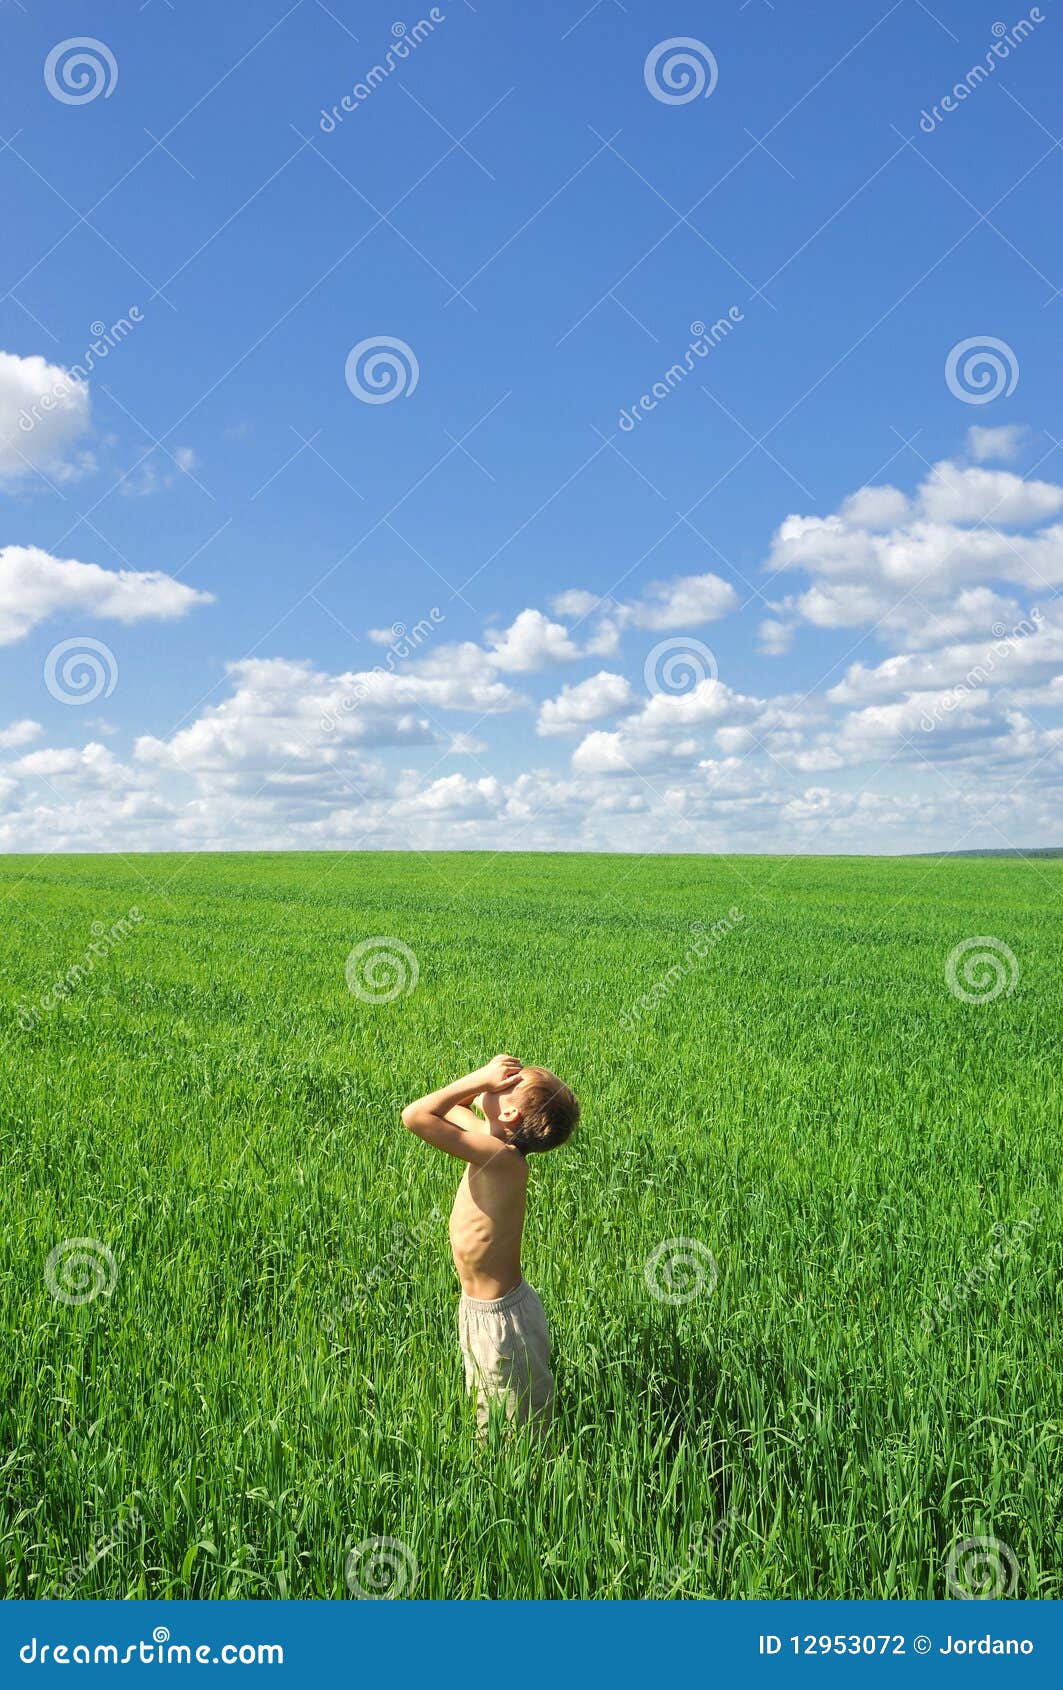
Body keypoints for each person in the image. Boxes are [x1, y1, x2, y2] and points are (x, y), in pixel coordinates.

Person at [401, 1054, 579, 1431]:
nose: (498, 1081)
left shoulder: (501, 1158)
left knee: (514, 1428)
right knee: (492, 1411)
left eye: (508, 1084)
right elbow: (451, 1111)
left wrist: (479, 1080)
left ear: (512, 1114)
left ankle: (529, 1485)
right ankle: (504, 1482)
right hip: (482, 1311)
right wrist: (484, 1090)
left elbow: (415, 1116)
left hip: (502, 1320)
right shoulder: (492, 1142)